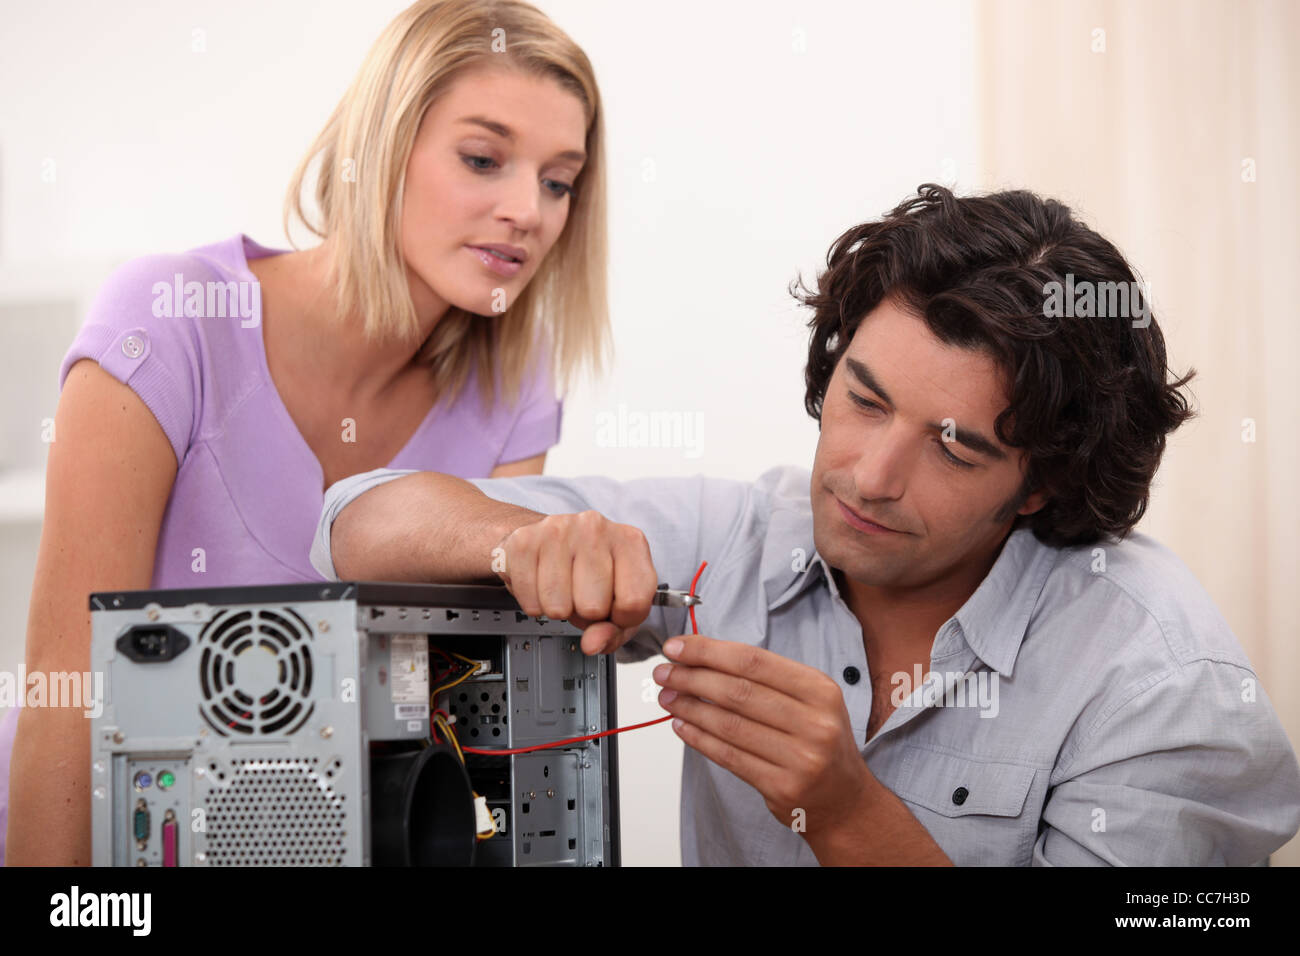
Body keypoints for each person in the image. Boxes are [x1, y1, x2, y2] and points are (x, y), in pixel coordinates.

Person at [309, 183, 1300, 865]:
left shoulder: (1162, 682)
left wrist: (846, 812)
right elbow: (361, 518)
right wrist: (517, 542)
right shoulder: (740, 535)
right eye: (863, 400)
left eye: (953, 449)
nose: (869, 477)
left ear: (1040, 483)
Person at [2, 0, 611, 866]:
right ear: (383, 148)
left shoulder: (513, 387)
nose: (528, 211)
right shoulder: (170, 322)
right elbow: (67, 692)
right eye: (483, 159)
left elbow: (462, 704)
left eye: (558, 181)